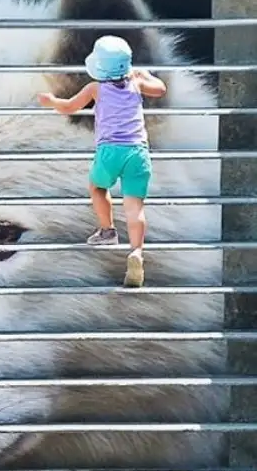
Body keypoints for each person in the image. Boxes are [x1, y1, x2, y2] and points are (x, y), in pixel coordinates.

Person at [37, 35, 167, 288]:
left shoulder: (95, 88)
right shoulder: (137, 81)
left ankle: (107, 231)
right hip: (137, 152)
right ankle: (137, 252)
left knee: (98, 188)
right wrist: (143, 75)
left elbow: (69, 107)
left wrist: (51, 101)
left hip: (110, 152)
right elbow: (160, 89)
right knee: (135, 206)